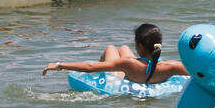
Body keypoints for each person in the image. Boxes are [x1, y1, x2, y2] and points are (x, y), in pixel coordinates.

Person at [42, 23, 188, 84]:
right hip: (149, 74)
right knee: (123, 48)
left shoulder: (128, 64)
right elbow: (196, 72)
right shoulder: (171, 67)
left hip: (130, 75)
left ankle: (103, 68)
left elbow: (90, 67)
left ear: (139, 45)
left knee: (111, 48)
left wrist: (59, 65)